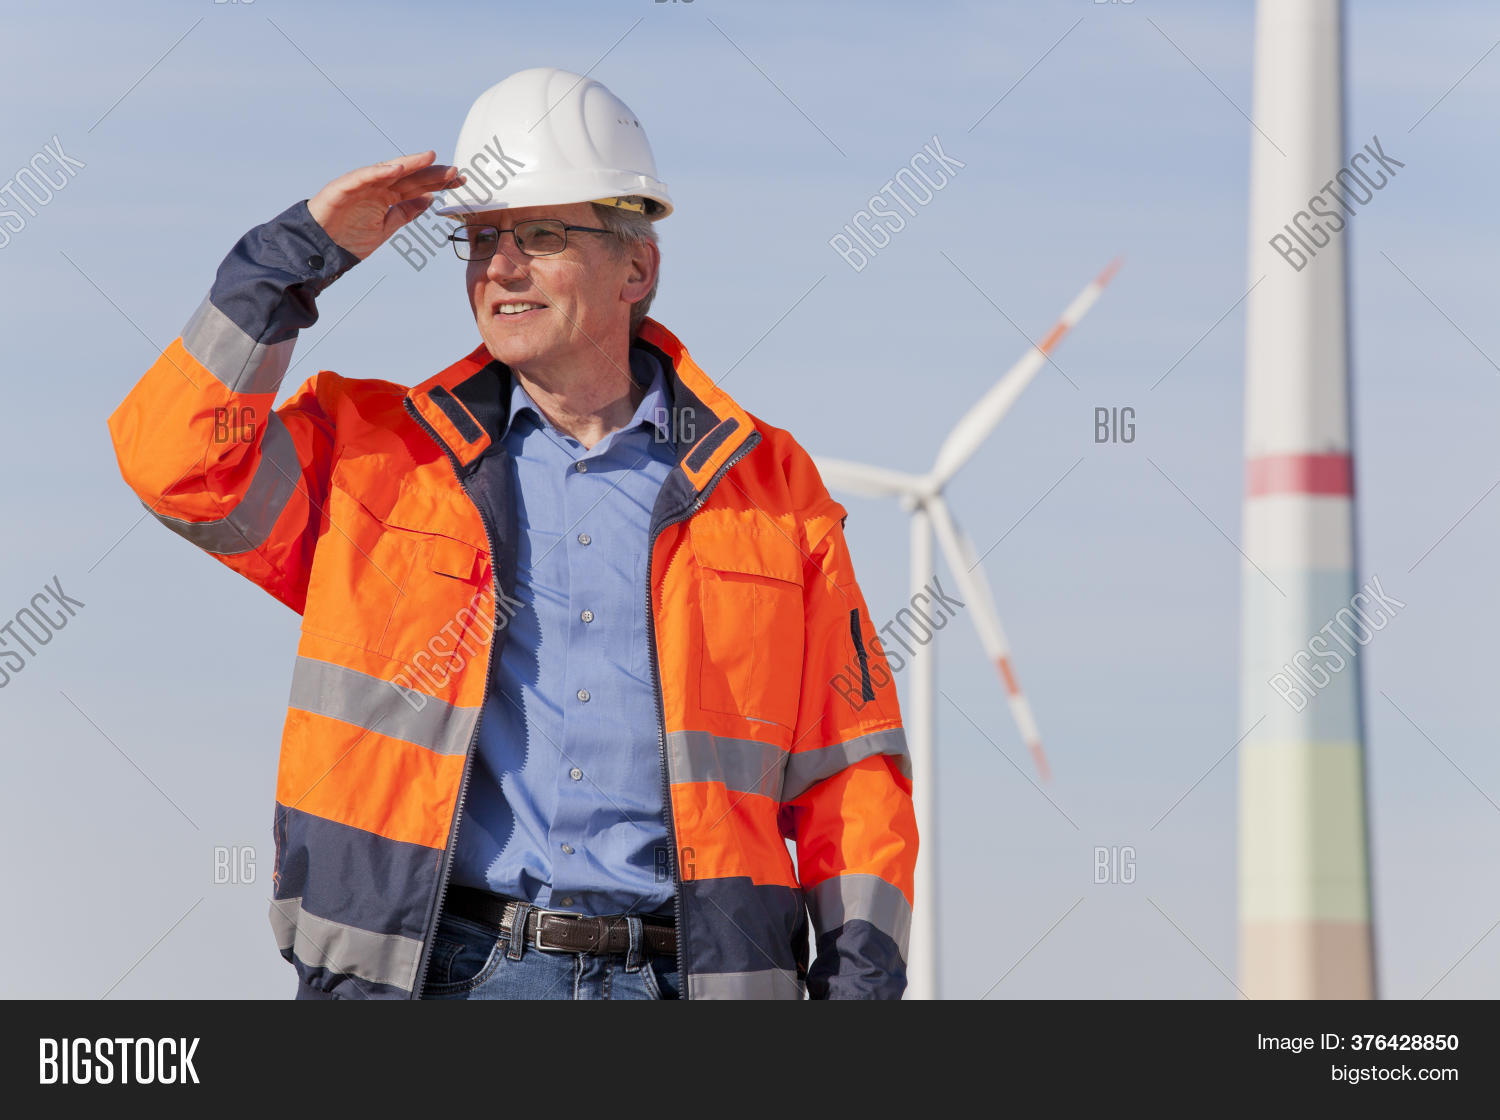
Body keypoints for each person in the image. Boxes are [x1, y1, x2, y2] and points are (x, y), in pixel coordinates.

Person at [107, 67, 916, 1000]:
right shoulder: (377, 455)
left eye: (540, 235)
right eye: (483, 238)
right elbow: (174, 463)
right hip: (439, 976)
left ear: (637, 267)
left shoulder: (769, 490)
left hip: (690, 984)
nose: (500, 266)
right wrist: (293, 256)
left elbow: (854, 777)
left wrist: (858, 999)